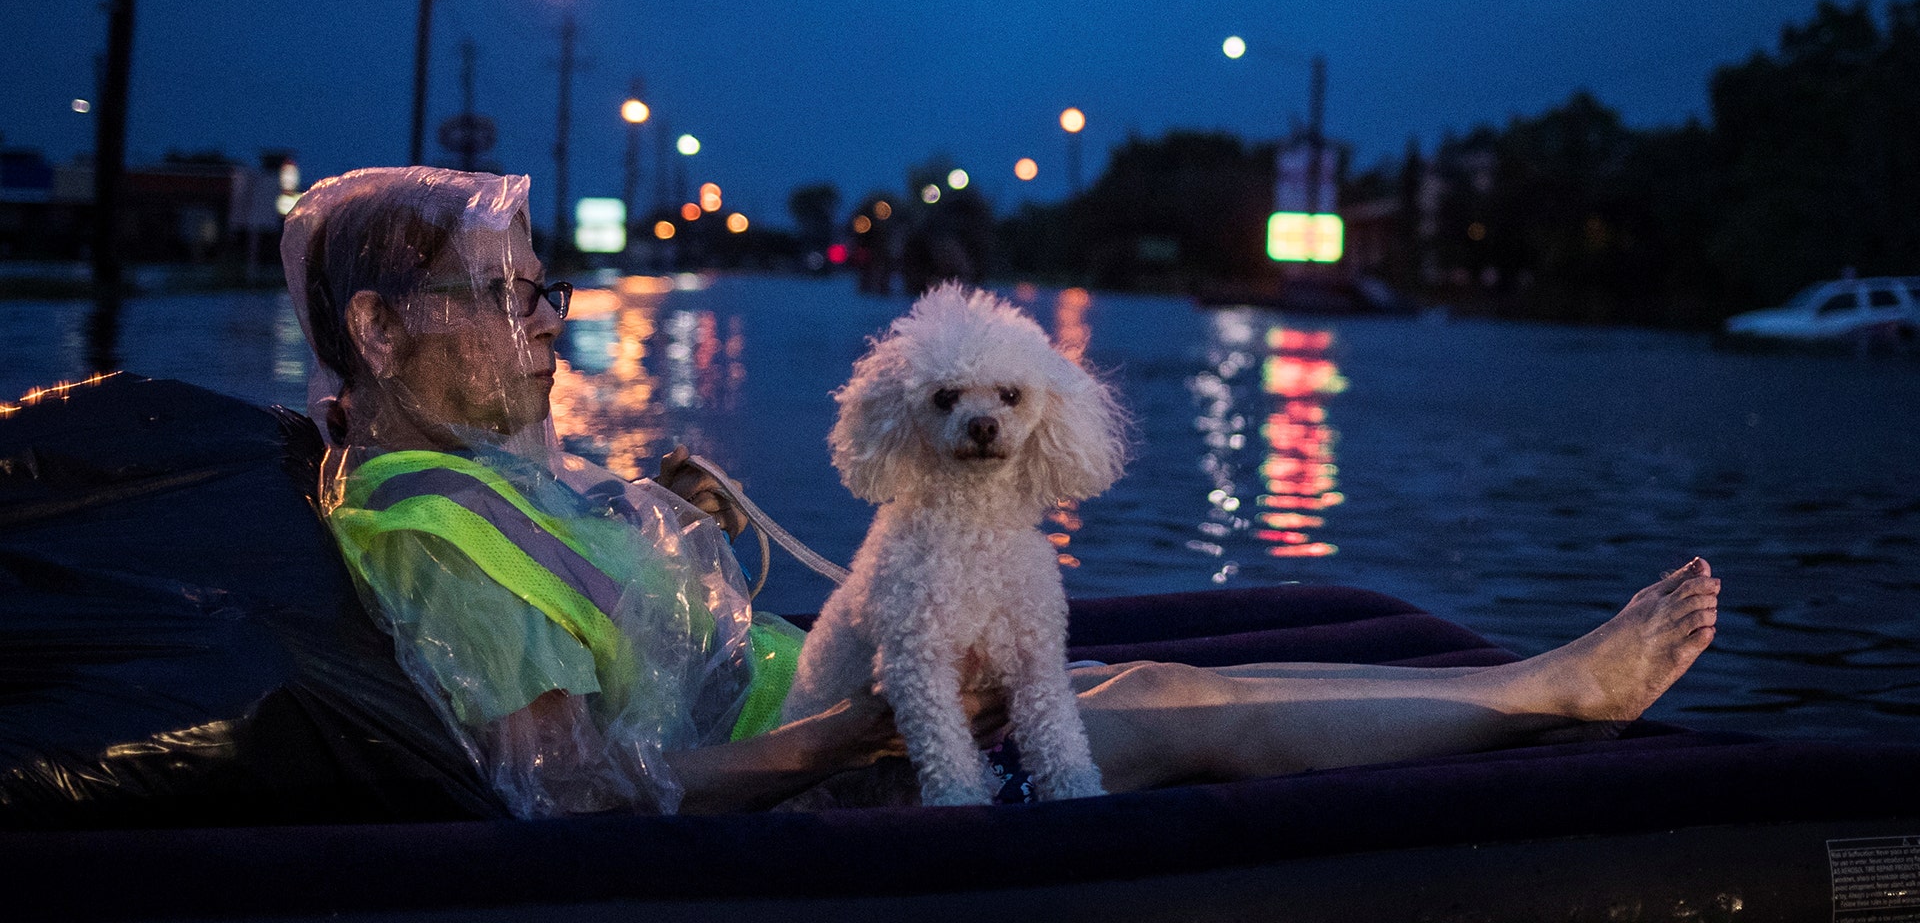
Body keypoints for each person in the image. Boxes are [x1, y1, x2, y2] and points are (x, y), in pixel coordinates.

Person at [283, 167, 1721, 816]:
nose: (550, 323)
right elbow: (580, 799)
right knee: (1143, 703)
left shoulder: (472, 477)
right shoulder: (428, 532)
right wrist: (843, 739)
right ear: (381, 331)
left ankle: (1531, 689)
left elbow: (628, 654)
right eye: (509, 296)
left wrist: (689, 524)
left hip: (796, 704)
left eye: (548, 292)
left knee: (1142, 664)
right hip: (804, 780)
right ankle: (1556, 696)